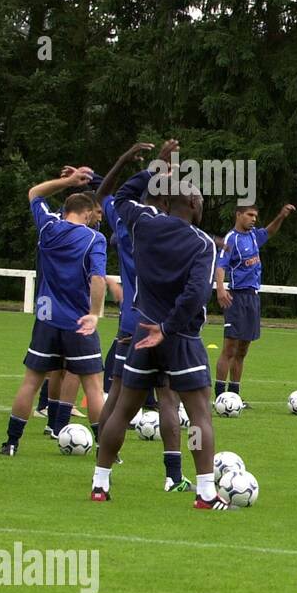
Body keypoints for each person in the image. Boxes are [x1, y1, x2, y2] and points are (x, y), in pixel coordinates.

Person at [90, 156, 229, 508]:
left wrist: (152, 171)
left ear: (165, 202)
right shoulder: (202, 243)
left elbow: (119, 197)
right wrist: (167, 329)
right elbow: (196, 293)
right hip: (178, 337)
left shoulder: (145, 223)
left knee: (122, 411)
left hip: (141, 331)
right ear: (194, 204)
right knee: (198, 416)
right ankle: (205, 493)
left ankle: (100, 484)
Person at [94, 141, 190, 489]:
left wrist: (129, 160)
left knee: (119, 398)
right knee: (169, 397)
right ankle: (174, 476)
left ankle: (102, 467)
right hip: (161, 324)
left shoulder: (125, 221)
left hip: (130, 323)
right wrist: (170, 168)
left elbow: (104, 193)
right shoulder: (172, 229)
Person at [0, 168, 107, 456]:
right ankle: (104, 449)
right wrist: (95, 313)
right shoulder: (94, 240)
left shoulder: (48, 227)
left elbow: (34, 193)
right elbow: (98, 279)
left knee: (31, 382)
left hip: (46, 320)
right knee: (93, 387)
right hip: (78, 323)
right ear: (86, 213)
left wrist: (68, 182)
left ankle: (11, 443)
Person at [214, 201, 296, 405]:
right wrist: (221, 289)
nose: (253, 219)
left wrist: (281, 216)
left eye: (255, 216)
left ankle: (235, 394)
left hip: (252, 297)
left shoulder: (253, 235)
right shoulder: (231, 239)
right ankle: (220, 395)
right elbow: (221, 265)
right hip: (236, 297)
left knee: (243, 349)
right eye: (250, 215)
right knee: (230, 347)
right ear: (238, 215)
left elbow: (269, 232)